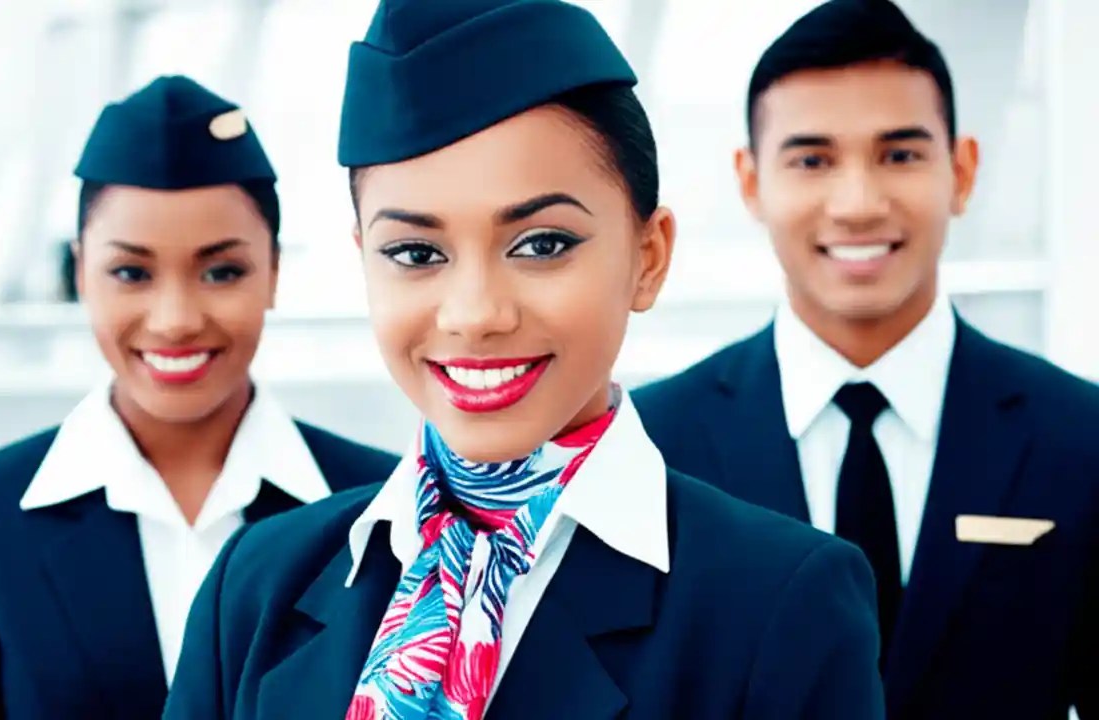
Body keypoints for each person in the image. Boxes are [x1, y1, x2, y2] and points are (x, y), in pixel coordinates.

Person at [163, 2, 885, 718]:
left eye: (541, 244)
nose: (476, 314)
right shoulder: (256, 587)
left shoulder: (778, 604)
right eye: (416, 254)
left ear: (649, 256)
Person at [632, 1, 1099, 717]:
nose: (857, 204)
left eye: (900, 154)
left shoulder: (1080, 436)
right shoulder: (649, 447)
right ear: (751, 182)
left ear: (963, 171)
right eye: (813, 159)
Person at [0, 75, 397, 720]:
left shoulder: (379, 502)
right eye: (131, 273)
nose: (176, 320)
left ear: (273, 272)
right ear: (81, 273)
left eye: (222, 271)